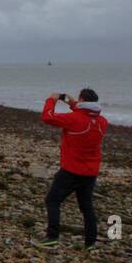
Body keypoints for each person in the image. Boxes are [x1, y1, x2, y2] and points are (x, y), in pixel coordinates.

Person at [35, 88, 108, 249]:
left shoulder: (74, 119)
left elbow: (47, 117)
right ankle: (90, 243)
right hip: (90, 172)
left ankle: (52, 237)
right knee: (86, 206)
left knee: (52, 200)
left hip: (71, 170)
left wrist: (52, 100)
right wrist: (72, 103)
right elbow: (87, 115)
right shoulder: (102, 122)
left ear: (82, 100)